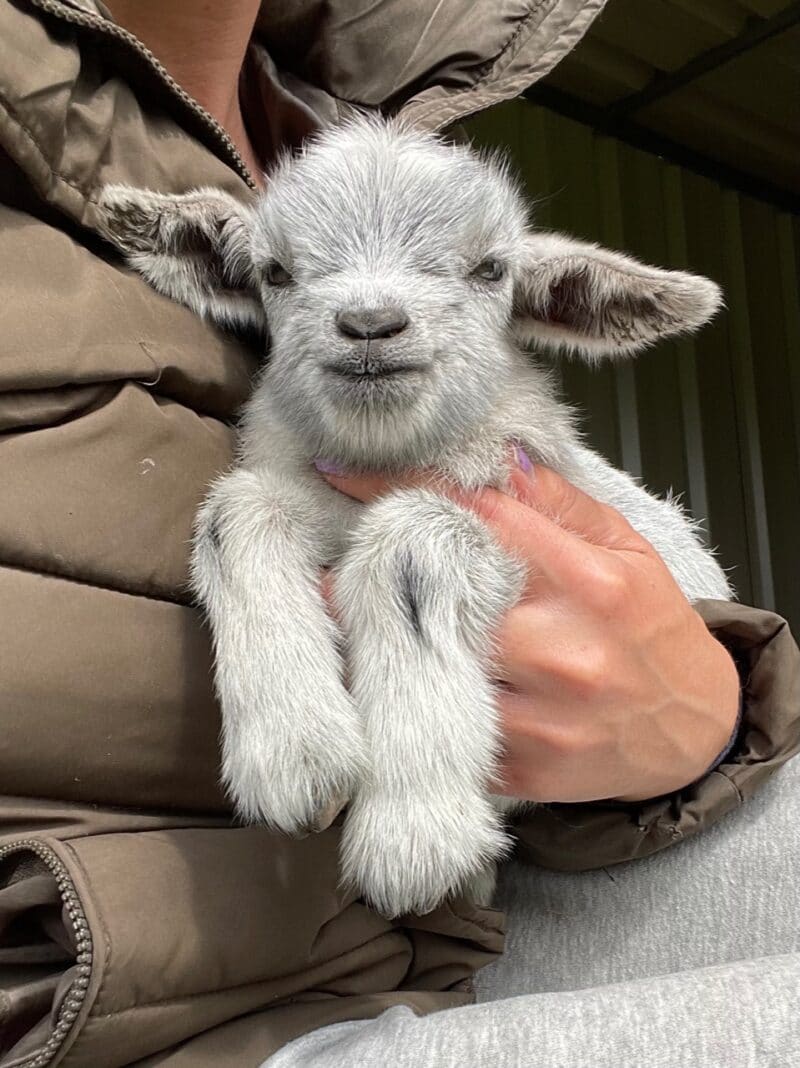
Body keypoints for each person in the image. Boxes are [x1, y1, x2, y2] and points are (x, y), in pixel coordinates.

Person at [0, 2, 796, 1066]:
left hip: (476, 942)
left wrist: (705, 724)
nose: (369, 311)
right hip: (153, 1009)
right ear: (236, 273)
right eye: (291, 275)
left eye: (468, 275)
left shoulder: (351, 131)